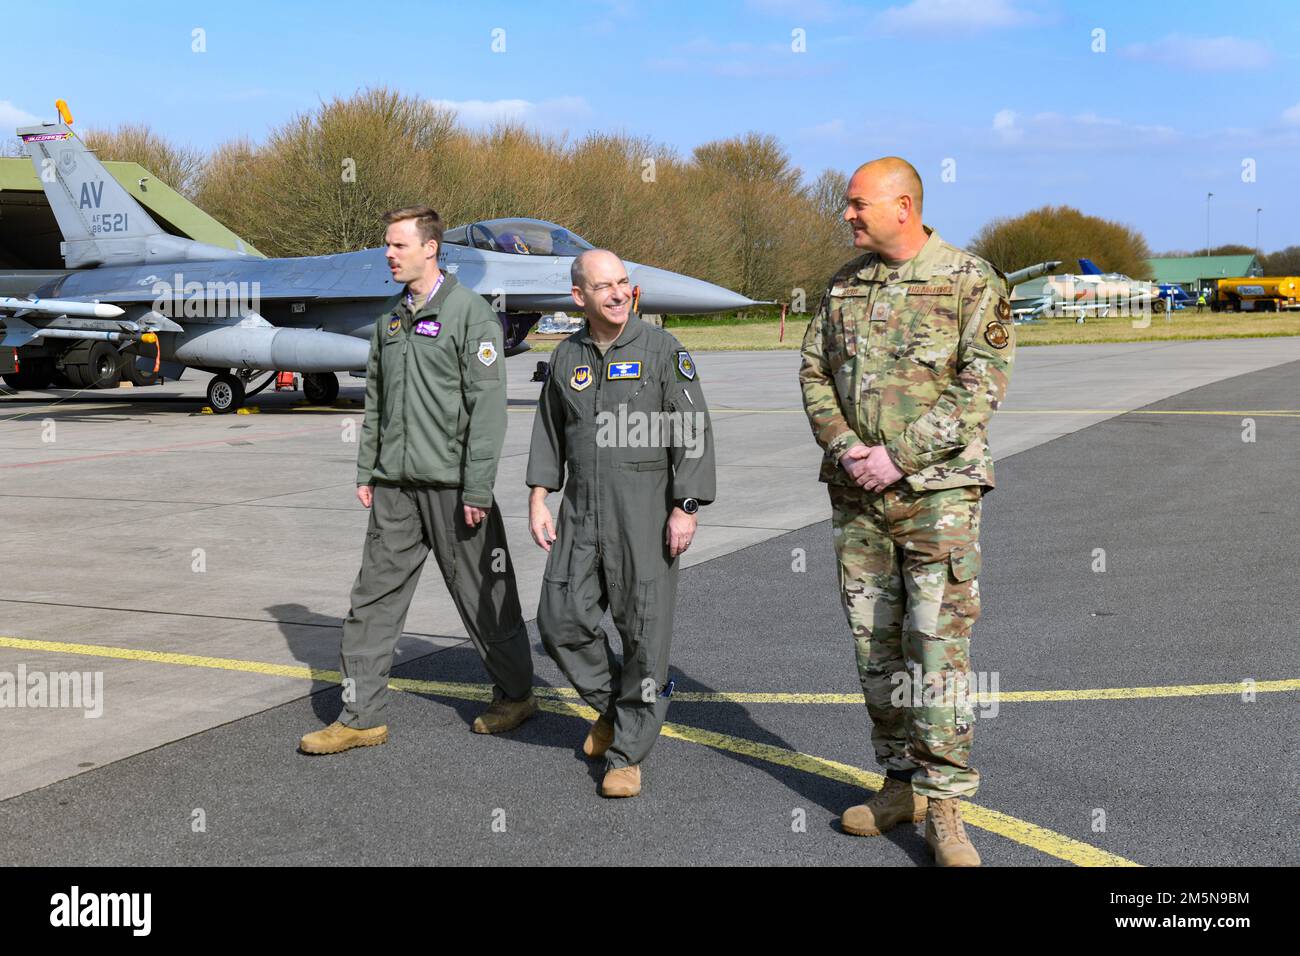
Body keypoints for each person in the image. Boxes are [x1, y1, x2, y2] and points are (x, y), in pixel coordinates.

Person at [799, 158, 1014, 866]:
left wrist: (900, 456)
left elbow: (981, 385)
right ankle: (899, 785)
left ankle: (945, 806)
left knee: (937, 650)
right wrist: (846, 446)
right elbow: (814, 372)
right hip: (858, 499)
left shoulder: (968, 280)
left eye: (858, 205)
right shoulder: (843, 284)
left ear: (903, 204)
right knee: (875, 648)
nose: (849, 216)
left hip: (937, 501)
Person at [299, 205, 535, 755]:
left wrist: (478, 487)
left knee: (485, 597)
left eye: (398, 245)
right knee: (371, 603)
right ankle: (361, 717)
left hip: (455, 489)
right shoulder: (390, 319)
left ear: (431, 248)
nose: (388, 253)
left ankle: (517, 694)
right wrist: (368, 470)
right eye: (387, 244)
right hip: (395, 489)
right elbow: (377, 402)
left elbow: (488, 408)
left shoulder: (471, 315)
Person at [527, 249, 716, 798]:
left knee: (643, 635)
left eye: (624, 283)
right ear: (578, 296)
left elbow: (694, 431)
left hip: (645, 512)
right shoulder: (567, 357)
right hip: (581, 510)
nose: (617, 293)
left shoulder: (662, 350)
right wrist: (539, 497)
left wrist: (686, 506)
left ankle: (627, 754)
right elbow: (549, 431)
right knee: (559, 618)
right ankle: (617, 709)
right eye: (603, 285)